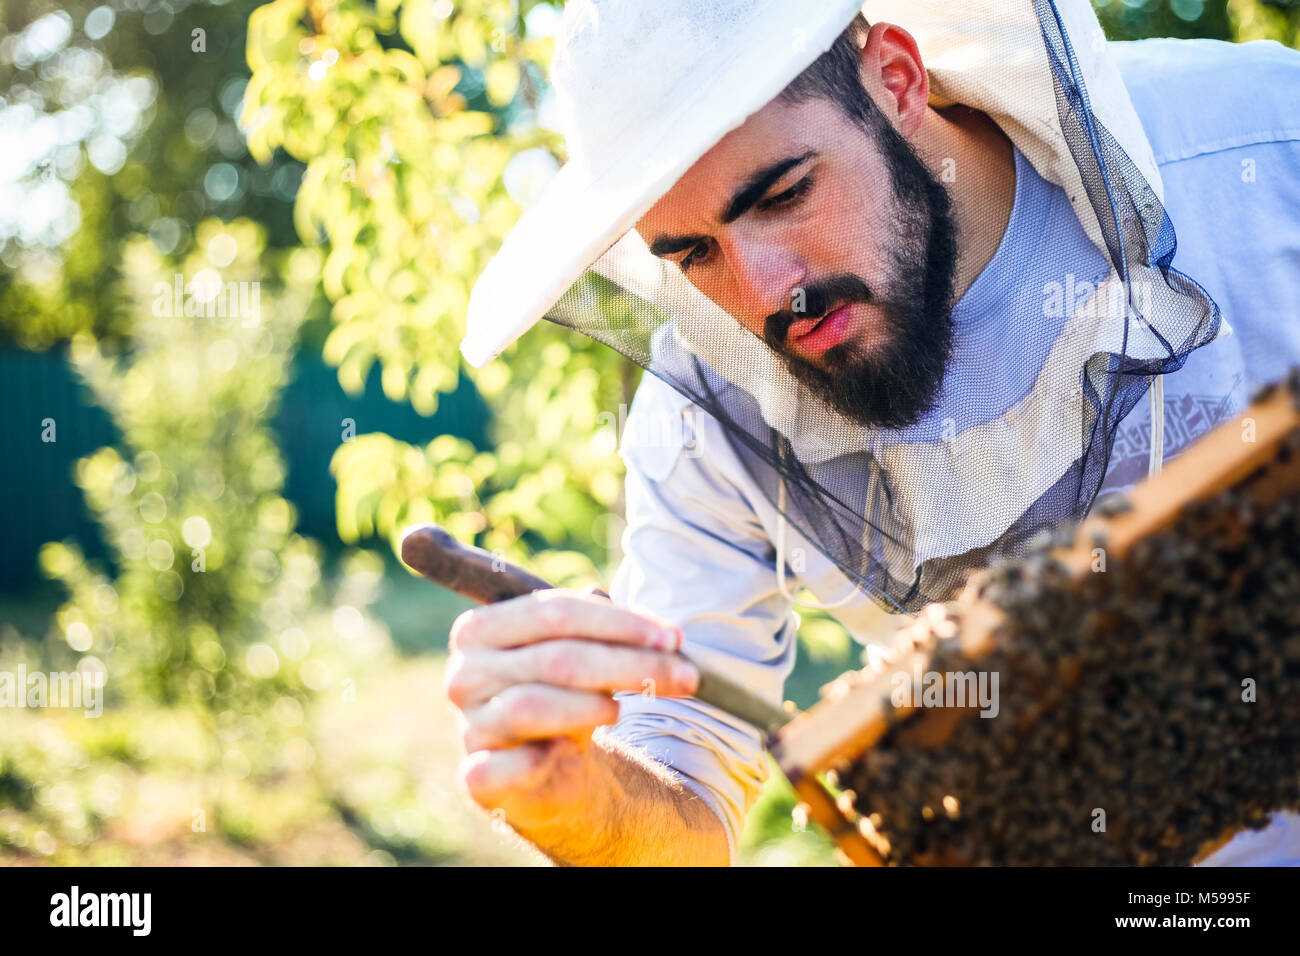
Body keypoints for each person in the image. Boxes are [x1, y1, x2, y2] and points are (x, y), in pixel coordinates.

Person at [445, 0, 1300, 865]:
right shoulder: (707, 420)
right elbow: (684, 794)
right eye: (694, 254)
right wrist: (578, 800)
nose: (770, 291)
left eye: (784, 194)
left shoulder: (1261, 149)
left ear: (897, 80)